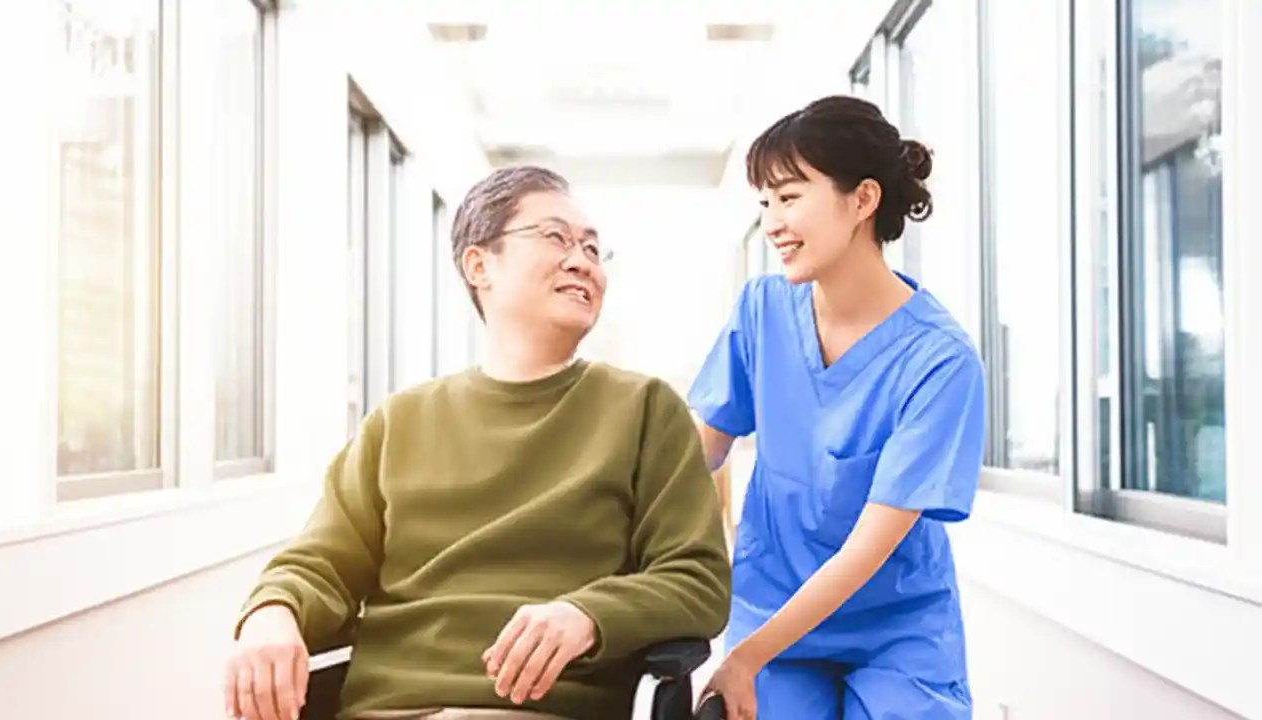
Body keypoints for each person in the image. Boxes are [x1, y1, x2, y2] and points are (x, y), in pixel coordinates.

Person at [224, 166, 731, 720]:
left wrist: (588, 615)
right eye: (556, 237)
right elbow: (320, 563)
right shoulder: (398, 422)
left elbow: (698, 580)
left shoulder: (644, 410)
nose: (581, 261)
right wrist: (272, 612)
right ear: (478, 264)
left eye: (592, 248)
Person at [688, 95, 986, 720]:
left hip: (897, 628)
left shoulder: (939, 360)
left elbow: (865, 552)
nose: (773, 223)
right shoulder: (763, 311)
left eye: (789, 197)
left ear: (863, 200)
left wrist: (743, 659)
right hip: (773, 606)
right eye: (765, 203)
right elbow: (696, 457)